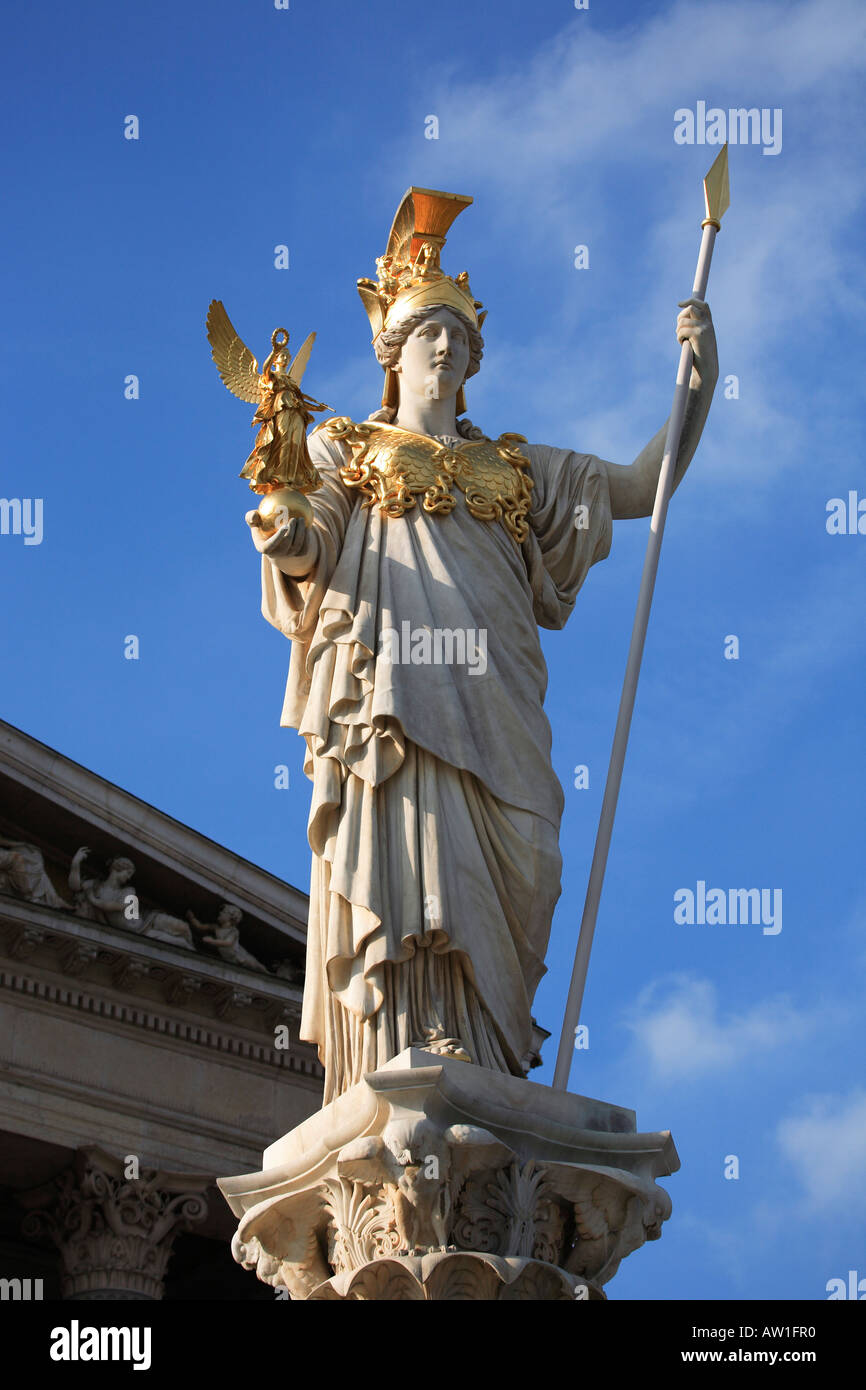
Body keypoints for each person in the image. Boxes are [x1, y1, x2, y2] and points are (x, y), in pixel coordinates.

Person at [248, 188, 717, 1104]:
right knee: (410, 853)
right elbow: (309, 540)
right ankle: (408, 1035)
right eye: (428, 333)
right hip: (398, 693)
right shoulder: (353, 448)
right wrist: (281, 524)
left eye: (458, 339)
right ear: (393, 352)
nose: (445, 348)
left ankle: (495, 1054)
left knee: (525, 851)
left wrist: (695, 383)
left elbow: (640, 484)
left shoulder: (517, 469)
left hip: (498, 695)